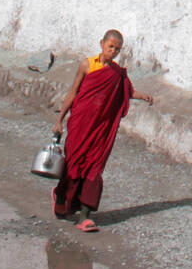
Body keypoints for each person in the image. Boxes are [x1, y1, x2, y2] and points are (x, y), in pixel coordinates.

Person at [52, 30, 152, 232]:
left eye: (117, 49)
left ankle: (84, 217)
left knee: (94, 167)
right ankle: (61, 197)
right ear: (102, 44)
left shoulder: (117, 72)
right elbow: (73, 92)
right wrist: (59, 120)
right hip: (80, 123)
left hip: (101, 128)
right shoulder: (87, 65)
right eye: (110, 47)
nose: (113, 51)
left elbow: (127, 91)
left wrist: (143, 96)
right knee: (74, 165)